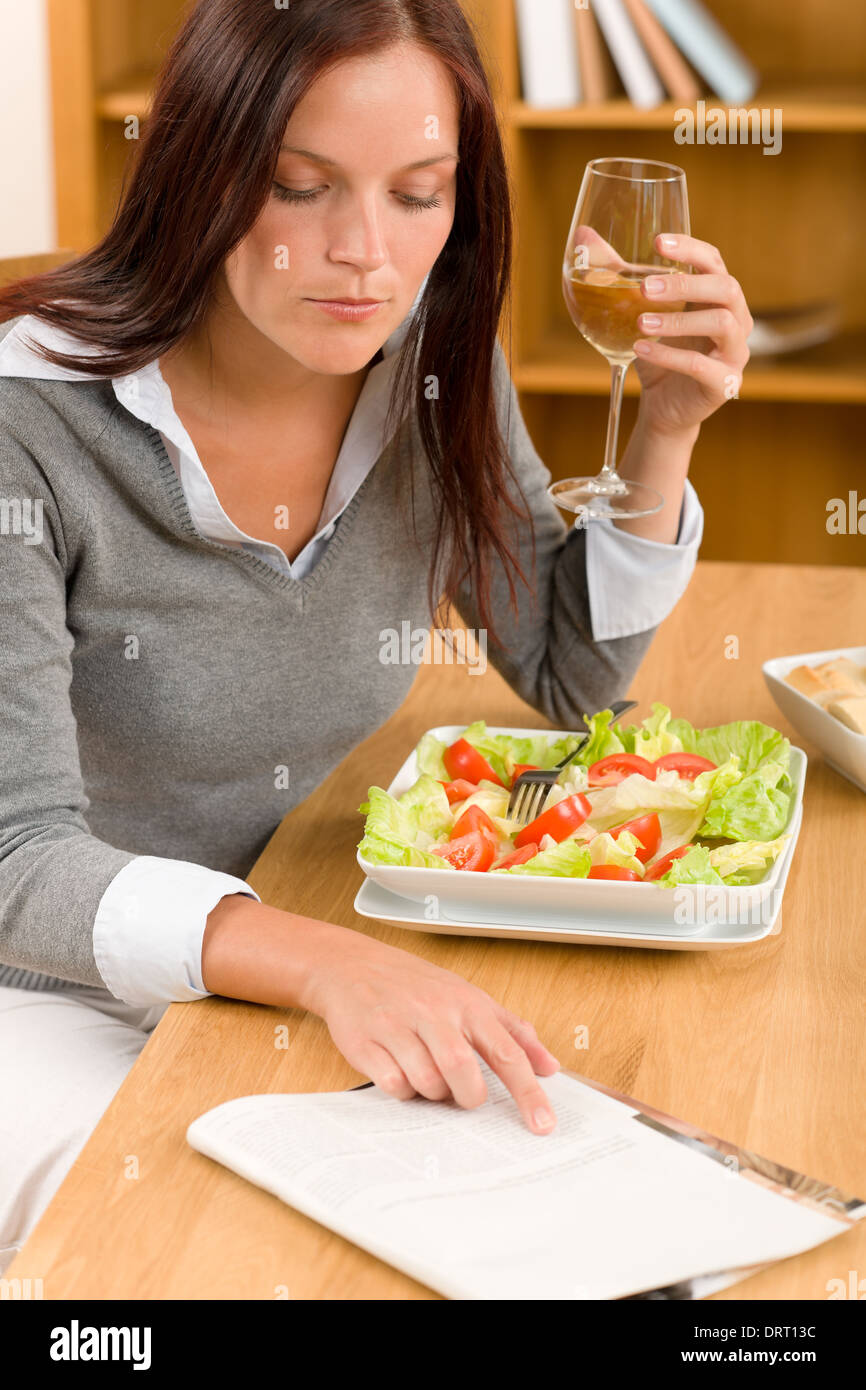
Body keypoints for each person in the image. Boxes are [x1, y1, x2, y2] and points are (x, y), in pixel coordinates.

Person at [0, 0, 751, 1275]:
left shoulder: (429, 368)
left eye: (418, 195)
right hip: (48, 994)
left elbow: (570, 670)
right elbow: (15, 856)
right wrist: (321, 965)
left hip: (302, 944)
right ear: (199, 174)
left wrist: (663, 429)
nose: (362, 255)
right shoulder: (34, 426)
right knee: (193, 1253)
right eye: (299, 188)